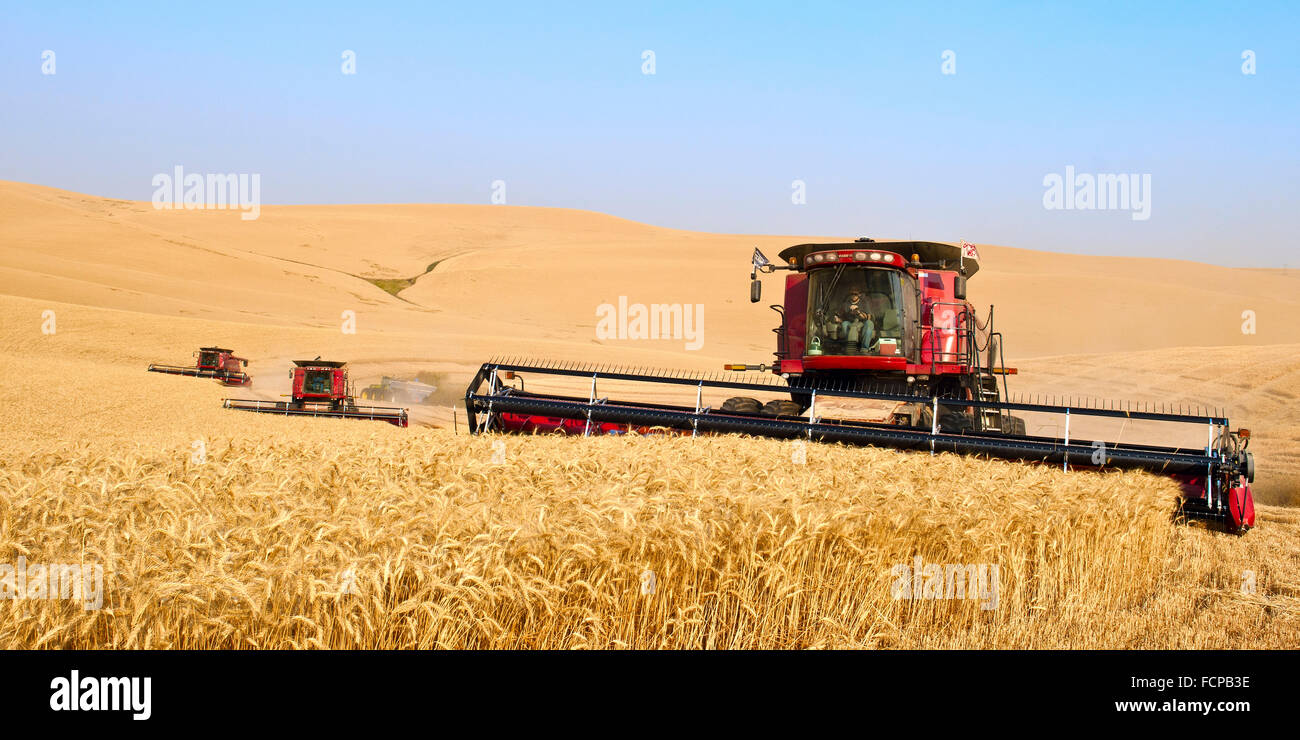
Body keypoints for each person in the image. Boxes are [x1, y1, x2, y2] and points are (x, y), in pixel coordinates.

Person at [832, 288, 873, 354]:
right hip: (850, 323)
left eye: (855, 294)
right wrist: (836, 319)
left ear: (859, 294)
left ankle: (864, 348)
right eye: (852, 294)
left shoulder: (864, 303)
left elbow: (868, 317)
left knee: (869, 323)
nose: (853, 295)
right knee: (844, 324)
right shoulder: (845, 304)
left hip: (862, 323)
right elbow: (840, 317)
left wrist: (858, 311)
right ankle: (850, 345)